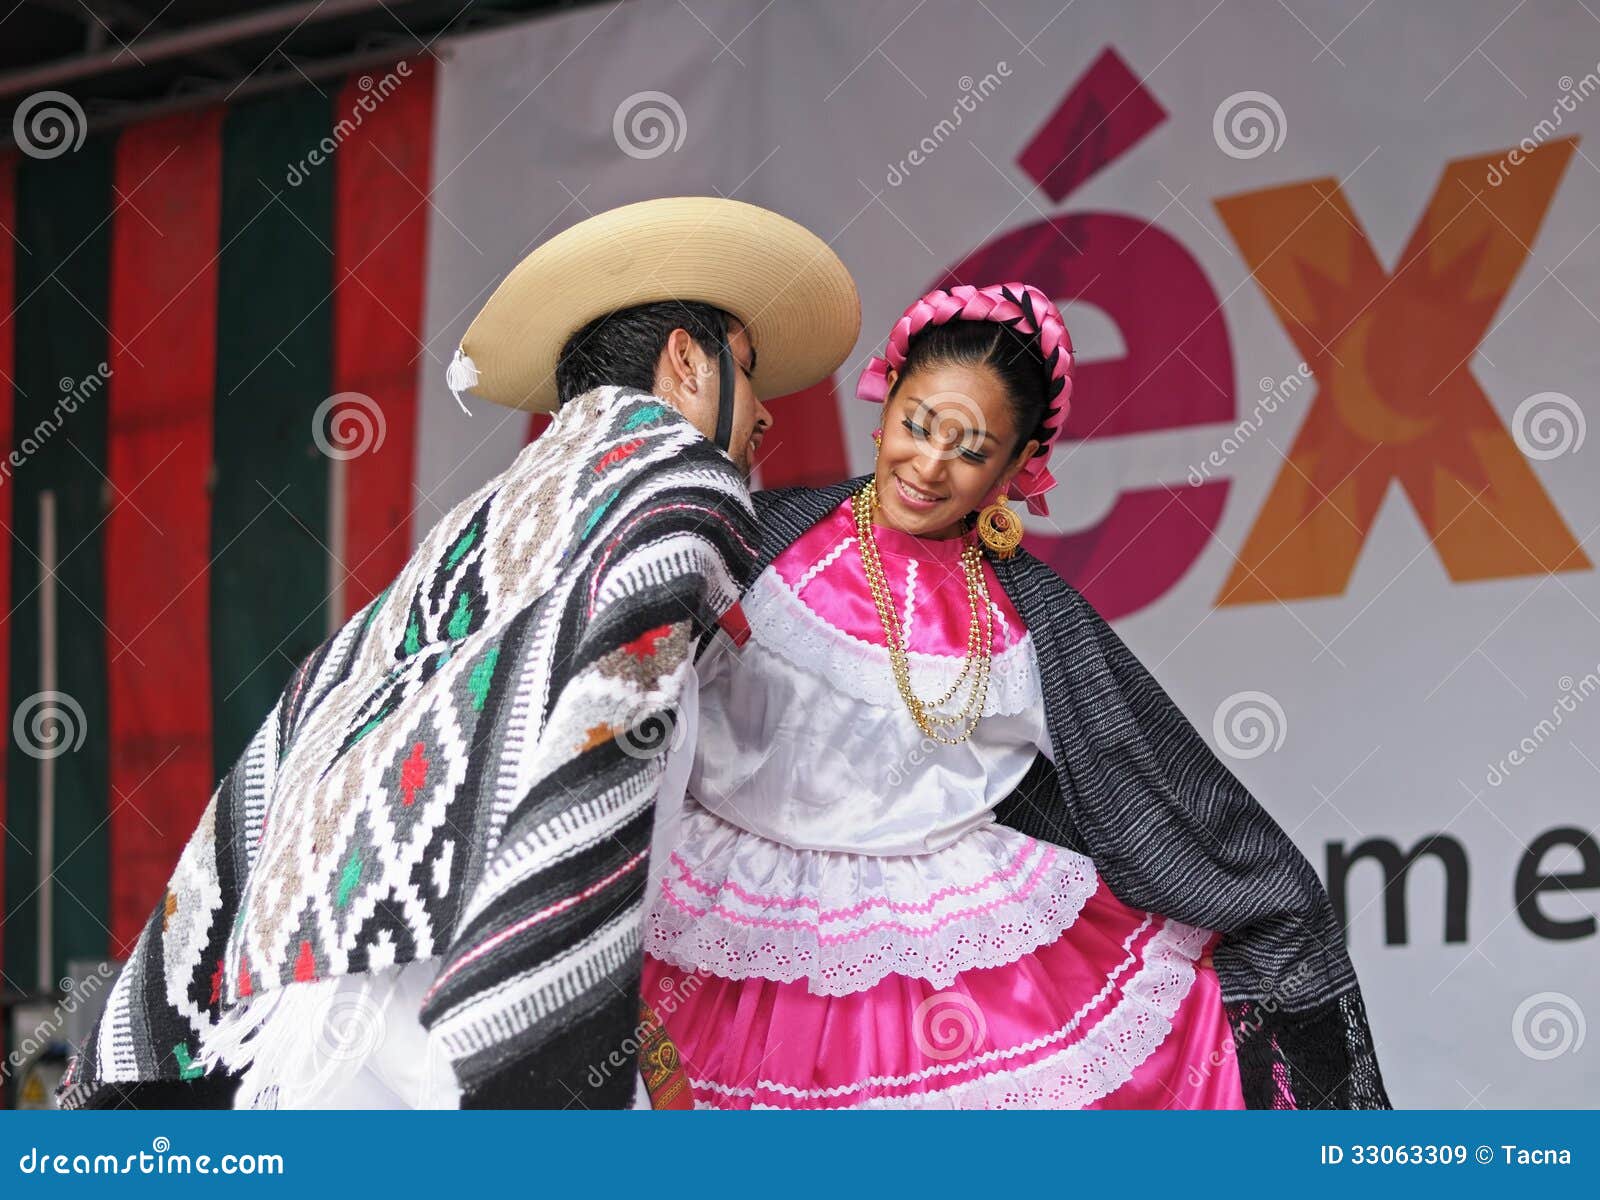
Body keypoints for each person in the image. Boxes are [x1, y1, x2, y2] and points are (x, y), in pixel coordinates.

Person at [56, 196, 861, 1110]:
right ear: (686, 360)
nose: (763, 415)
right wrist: (566, 980)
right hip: (466, 983)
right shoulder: (672, 479)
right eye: (746, 372)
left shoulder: (483, 516)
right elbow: (608, 718)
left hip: (320, 977)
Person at [641, 282, 1393, 1109]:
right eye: (917, 425)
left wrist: (1264, 920)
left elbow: (1152, 787)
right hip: (714, 921)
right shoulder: (754, 537)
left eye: (970, 450)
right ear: (886, 400)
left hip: (927, 961)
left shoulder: (1029, 618)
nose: (928, 467)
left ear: (1016, 465)